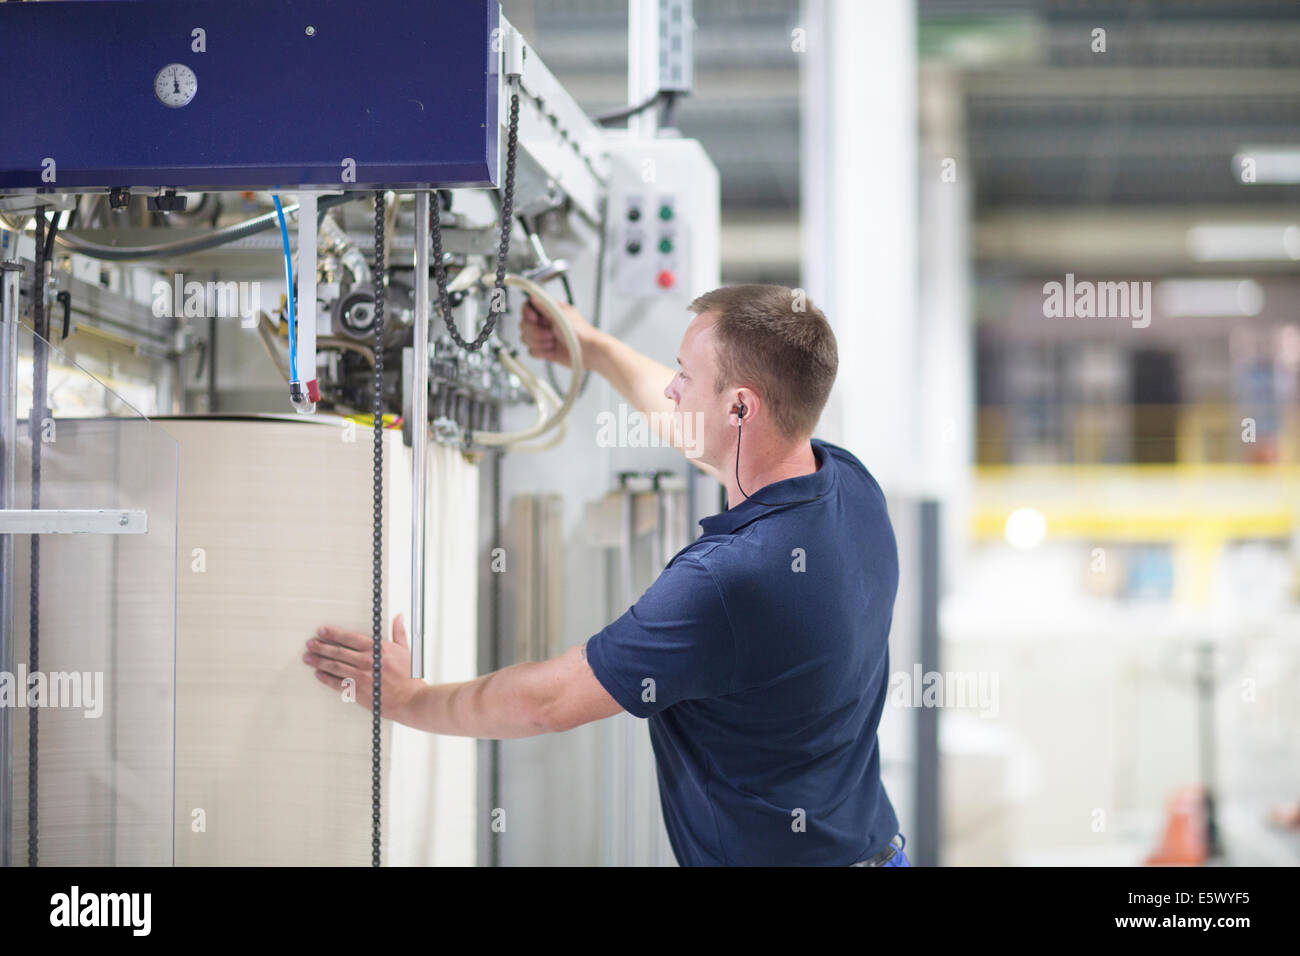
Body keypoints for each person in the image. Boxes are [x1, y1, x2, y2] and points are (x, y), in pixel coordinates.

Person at [303, 283, 908, 866]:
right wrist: (591, 348)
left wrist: (410, 698)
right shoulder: (849, 485)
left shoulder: (729, 581)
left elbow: (549, 701)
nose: (672, 389)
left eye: (685, 375)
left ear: (740, 405)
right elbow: (701, 431)